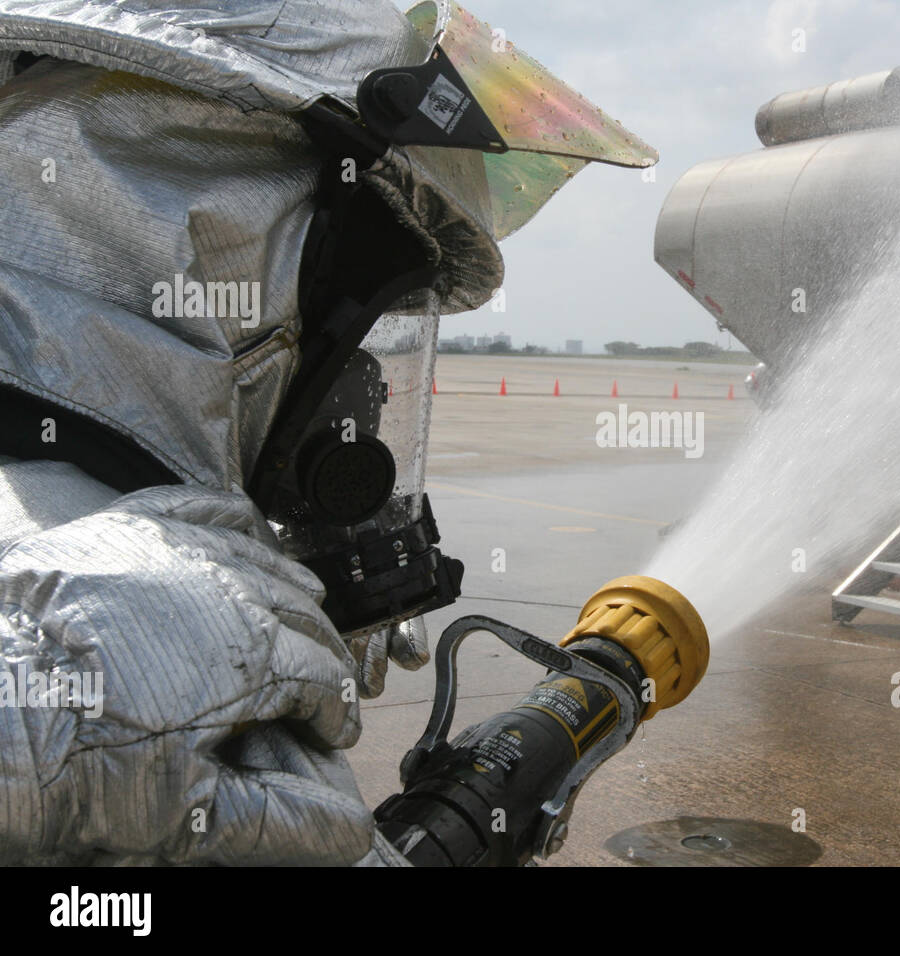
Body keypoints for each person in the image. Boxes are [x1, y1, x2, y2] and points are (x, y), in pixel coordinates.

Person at [0, 0, 654, 865]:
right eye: (365, 314)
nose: (366, 389)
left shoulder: (163, 611)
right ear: (234, 229)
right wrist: (36, 723)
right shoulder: (157, 664)